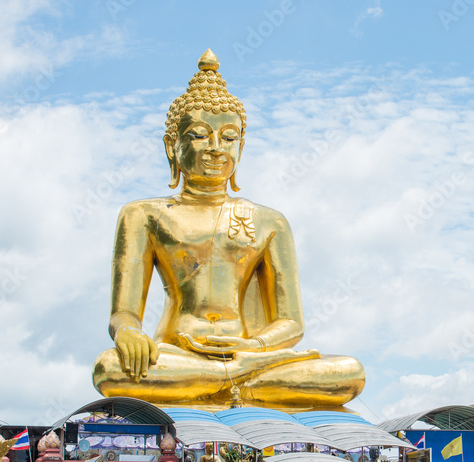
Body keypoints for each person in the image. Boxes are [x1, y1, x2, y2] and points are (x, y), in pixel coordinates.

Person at [93, 50, 365, 408]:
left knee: (349, 372)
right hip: (177, 353)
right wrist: (128, 332)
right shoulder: (143, 215)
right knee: (110, 369)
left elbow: (291, 322)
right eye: (199, 135)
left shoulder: (270, 221)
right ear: (172, 147)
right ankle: (232, 381)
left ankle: (222, 381)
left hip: (250, 354)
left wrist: (253, 348)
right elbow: (124, 312)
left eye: (229, 137)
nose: (215, 149)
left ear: (242, 146)